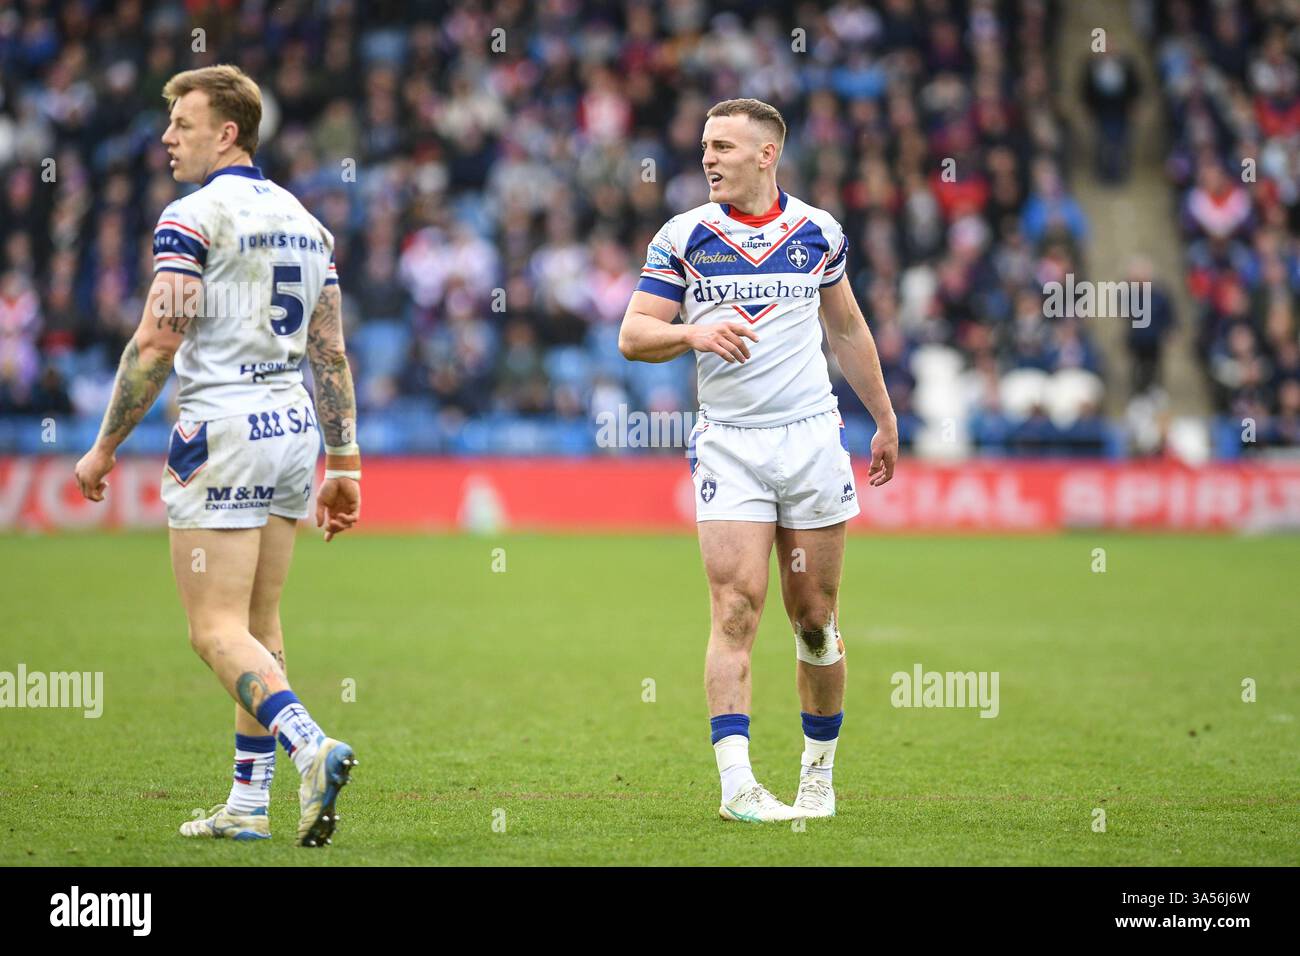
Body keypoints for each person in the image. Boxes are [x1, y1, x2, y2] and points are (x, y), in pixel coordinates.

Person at [73, 65, 360, 847]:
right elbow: (329, 354)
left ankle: (312, 745)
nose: (167, 137)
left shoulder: (192, 216)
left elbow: (158, 339)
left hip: (225, 427)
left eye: (182, 123)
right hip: (292, 426)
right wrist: (347, 467)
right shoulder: (307, 221)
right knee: (260, 626)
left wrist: (104, 446)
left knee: (212, 629)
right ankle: (245, 802)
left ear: (227, 131)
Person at [618, 99, 898, 822]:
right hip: (730, 444)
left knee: (814, 618)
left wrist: (885, 417)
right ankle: (737, 786)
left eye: (723, 148)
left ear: (766, 155)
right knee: (735, 609)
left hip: (810, 439)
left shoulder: (817, 232)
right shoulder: (684, 236)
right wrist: (693, 333)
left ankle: (817, 775)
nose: (707, 158)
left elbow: (848, 328)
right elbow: (634, 334)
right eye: (705, 146)